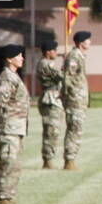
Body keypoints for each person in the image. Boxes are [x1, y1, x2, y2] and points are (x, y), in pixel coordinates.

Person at [0, 42, 29, 204]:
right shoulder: (7, 77)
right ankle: (3, 196)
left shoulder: (13, 76)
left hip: (15, 127)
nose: (22, 58)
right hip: (7, 128)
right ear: (9, 59)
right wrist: (4, 124)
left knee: (14, 163)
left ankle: (8, 195)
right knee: (8, 162)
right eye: (18, 55)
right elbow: (0, 103)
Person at [62, 30, 90, 170]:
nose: (90, 42)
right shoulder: (74, 56)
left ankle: (71, 159)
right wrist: (73, 96)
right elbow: (68, 78)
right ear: (80, 42)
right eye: (87, 40)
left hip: (79, 100)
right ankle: (69, 160)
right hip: (75, 100)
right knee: (74, 129)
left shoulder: (80, 56)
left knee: (77, 129)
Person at [36, 38, 64, 169]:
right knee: (51, 130)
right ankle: (48, 159)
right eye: (54, 50)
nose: (56, 53)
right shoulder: (45, 64)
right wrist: (67, 64)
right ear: (48, 52)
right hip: (50, 98)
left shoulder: (48, 63)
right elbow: (62, 76)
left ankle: (49, 157)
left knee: (54, 130)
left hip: (54, 97)